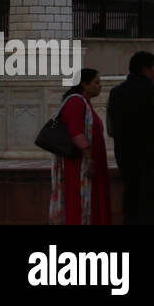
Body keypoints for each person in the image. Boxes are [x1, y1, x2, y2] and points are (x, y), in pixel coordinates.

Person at [106, 51, 154, 225]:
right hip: (151, 158)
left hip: (125, 157)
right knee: (149, 203)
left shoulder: (114, 94)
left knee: (130, 198)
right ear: (145, 69)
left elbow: (111, 129)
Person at [49, 68, 111, 225]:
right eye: (96, 82)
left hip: (86, 163)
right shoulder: (75, 102)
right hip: (80, 165)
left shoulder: (83, 103)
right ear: (84, 84)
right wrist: (89, 159)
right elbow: (76, 134)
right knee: (80, 202)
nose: (100, 86)